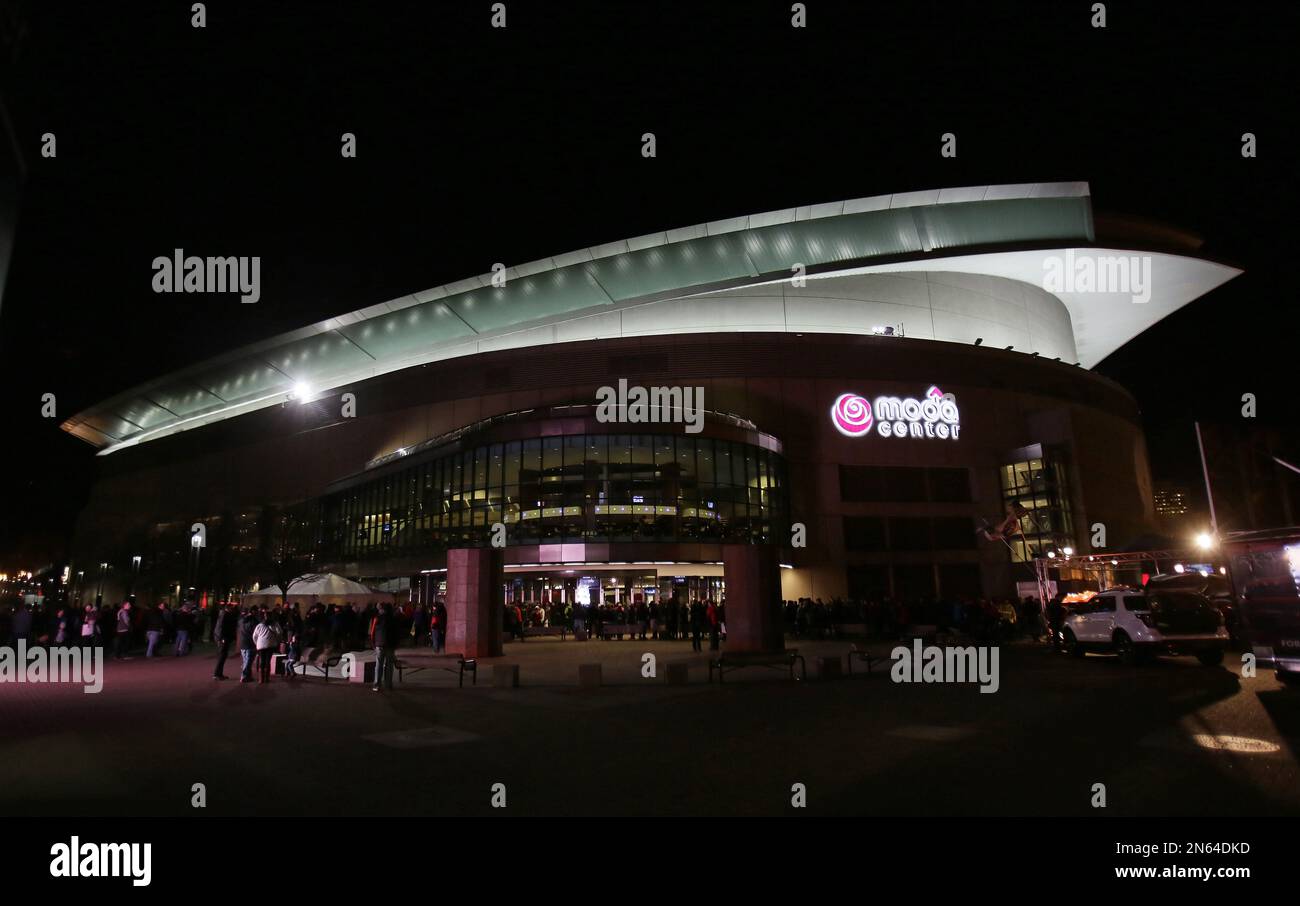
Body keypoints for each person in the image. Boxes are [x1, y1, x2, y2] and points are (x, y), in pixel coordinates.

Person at [370, 602, 397, 692]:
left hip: (379, 644)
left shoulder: (377, 618)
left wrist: (373, 643)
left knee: (379, 664)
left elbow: (372, 632)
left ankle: (377, 684)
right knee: (389, 665)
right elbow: (397, 633)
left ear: (382, 609)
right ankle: (388, 684)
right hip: (390, 645)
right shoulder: (394, 619)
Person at [252, 612, 280, 684]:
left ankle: (261, 679)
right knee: (268, 661)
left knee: (262, 661)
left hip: (260, 646)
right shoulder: (274, 624)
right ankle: (266, 678)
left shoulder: (259, 625)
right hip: (270, 645)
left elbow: (254, 636)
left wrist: (257, 643)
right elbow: (279, 632)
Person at [213, 604, 237, 680]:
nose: (232, 610)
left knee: (222, 656)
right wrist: (222, 638)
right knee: (222, 656)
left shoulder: (224, 614)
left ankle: (219, 674)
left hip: (223, 638)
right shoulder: (224, 615)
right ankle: (217, 674)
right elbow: (221, 627)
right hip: (223, 638)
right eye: (231, 608)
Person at [237, 608, 259, 683]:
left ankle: (248, 676)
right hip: (250, 643)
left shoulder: (241, 621)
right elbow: (256, 633)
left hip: (243, 643)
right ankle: (244, 676)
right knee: (248, 662)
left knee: (245, 661)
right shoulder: (254, 622)